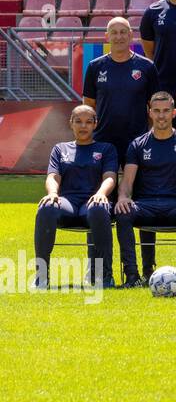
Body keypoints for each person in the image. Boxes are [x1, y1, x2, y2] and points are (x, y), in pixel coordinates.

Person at [114, 92, 176, 287]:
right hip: (145, 205)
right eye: (156, 111)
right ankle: (132, 276)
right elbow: (127, 181)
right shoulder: (137, 145)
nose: (161, 115)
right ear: (149, 113)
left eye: (165, 111)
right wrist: (122, 197)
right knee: (123, 212)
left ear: (174, 113)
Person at [34, 105, 117, 289]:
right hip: (68, 203)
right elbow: (52, 177)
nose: (83, 126)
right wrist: (53, 193)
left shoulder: (106, 149)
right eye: (78, 121)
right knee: (46, 208)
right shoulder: (60, 149)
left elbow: (110, 177)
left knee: (98, 208)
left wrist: (101, 194)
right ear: (70, 123)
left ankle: (104, 276)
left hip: (92, 202)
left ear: (95, 124)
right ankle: (41, 276)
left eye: (88, 122)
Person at [82, 17, 158, 174]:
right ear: (107, 36)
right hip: (104, 139)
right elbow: (89, 106)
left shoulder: (147, 67)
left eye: (123, 32)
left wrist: (149, 135)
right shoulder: (94, 66)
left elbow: (155, 107)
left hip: (137, 140)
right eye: (114, 33)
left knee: (138, 192)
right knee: (105, 193)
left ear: (131, 35)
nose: (119, 37)